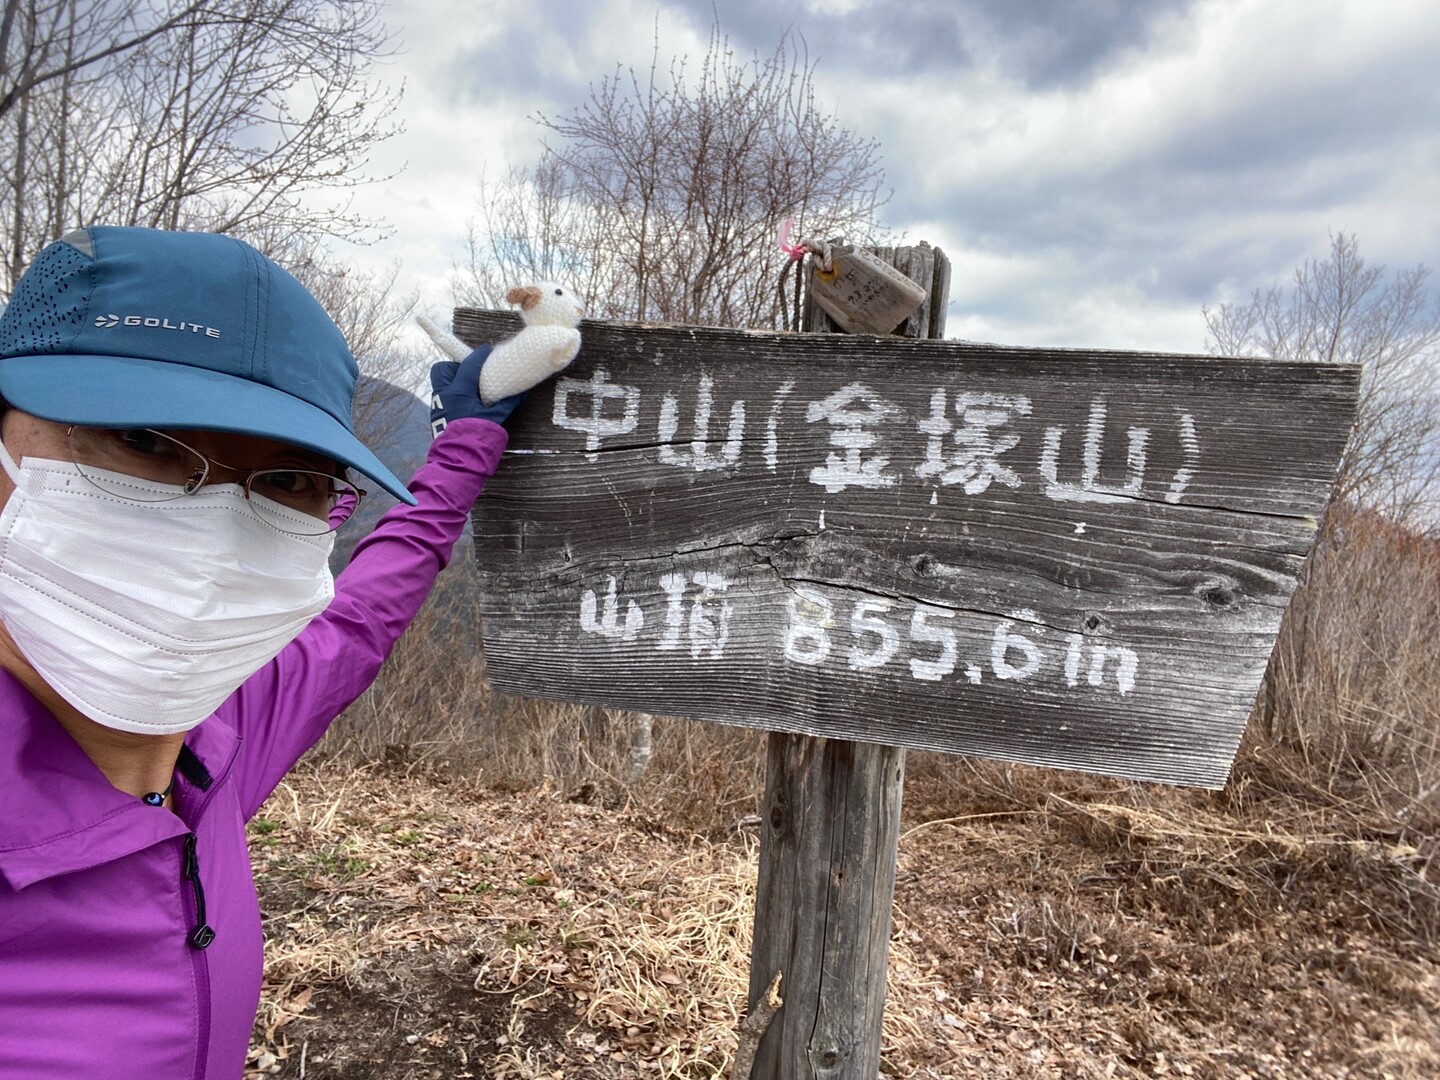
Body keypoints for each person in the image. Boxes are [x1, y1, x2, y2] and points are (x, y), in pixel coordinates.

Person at [0, 225, 522, 1078]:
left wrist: (464, 436)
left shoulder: (215, 747)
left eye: (288, 480)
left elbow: (361, 617)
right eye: (144, 440)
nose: (213, 538)